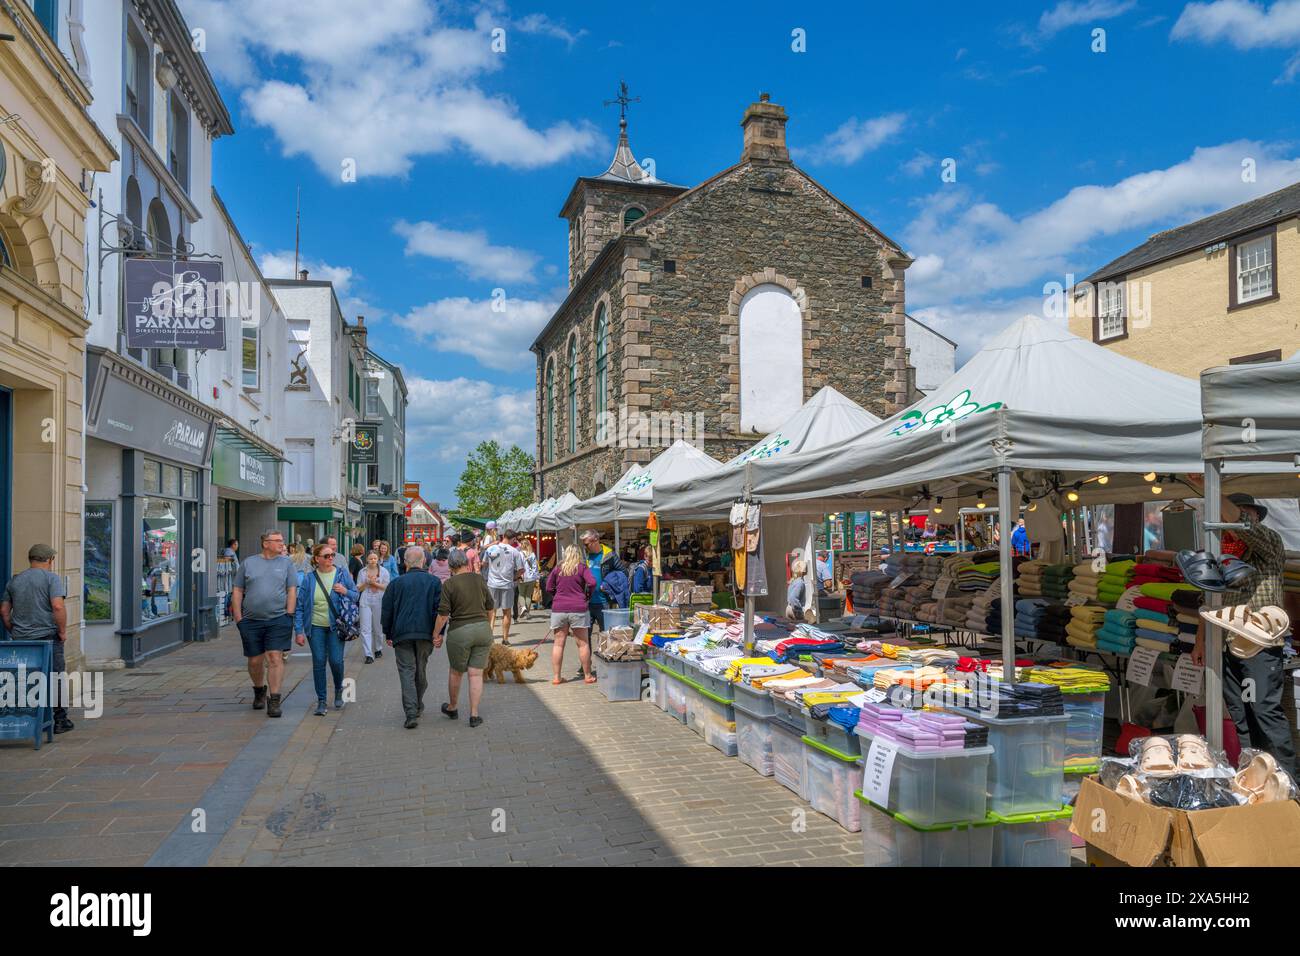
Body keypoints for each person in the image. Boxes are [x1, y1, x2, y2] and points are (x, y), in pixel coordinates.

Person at [1188, 488, 1295, 775]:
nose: (1231, 523)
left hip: (1258, 646)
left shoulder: (1268, 544)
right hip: (1225, 645)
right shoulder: (1220, 553)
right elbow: (1206, 601)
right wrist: (1200, 642)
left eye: (1239, 516)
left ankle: (1287, 780)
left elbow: (1244, 526)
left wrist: (1210, 488)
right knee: (1241, 715)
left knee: (1264, 712)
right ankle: (1253, 774)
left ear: (1253, 518)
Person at [1, 544, 73, 733]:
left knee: (26, 678)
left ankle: (28, 719)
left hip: (21, 638)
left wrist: (13, 629)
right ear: (50, 560)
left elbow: (4, 611)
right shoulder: (51, 579)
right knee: (55, 675)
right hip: (48, 635)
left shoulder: (15, 581)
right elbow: (58, 607)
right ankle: (59, 719)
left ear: (31, 559)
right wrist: (63, 631)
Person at [230, 530, 298, 718]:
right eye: (277, 541)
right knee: (255, 660)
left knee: (275, 657)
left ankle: (274, 699)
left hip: (278, 619)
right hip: (251, 620)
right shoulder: (248, 563)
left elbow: (292, 590)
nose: (282, 544)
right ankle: (259, 690)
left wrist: (289, 614)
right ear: (265, 543)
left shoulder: (286, 563)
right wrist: (239, 618)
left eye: (282, 541)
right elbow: (237, 590)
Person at [381, 546, 443, 728]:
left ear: (405, 562)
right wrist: (438, 633)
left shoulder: (396, 584)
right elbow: (439, 609)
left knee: (407, 672)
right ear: (424, 561)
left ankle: (411, 712)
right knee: (420, 670)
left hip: (402, 633)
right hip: (425, 633)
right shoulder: (434, 582)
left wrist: (388, 633)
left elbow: (387, 611)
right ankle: (416, 705)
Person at [294, 542, 358, 716]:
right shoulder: (309, 578)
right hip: (315, 627)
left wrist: (345, 591)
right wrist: (299, 630)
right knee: (319, 662)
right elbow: (300, 606)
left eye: (332, 555)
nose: (331, 558)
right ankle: (321, 700)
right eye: (326, 556)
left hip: (335, 626)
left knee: (336, 661)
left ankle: (339, 689)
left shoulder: (342, 575)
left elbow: (356, 595)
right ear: (316, 559)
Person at [435, 549, 494, 727]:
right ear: (466, 563)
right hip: (482, 629)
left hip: (460, 631)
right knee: (476, 673)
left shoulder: (449, 584)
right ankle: (474, 714)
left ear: (450, 565)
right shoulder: (478, 578)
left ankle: (453, 707)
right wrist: (488, 625)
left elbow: (443, 615)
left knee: (456, 671)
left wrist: (435, 634)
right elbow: (490, 606)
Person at [547, 545, 597, 685]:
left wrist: (556, 596)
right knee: (582, 644)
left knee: (558, 644)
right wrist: (587, 595)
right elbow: (592, 582)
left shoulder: (558, 568)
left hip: (559, 608)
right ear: (578, 554)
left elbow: (548, 587)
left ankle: (557, 677)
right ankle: (587, 675)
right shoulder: (582, 567)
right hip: (578, 608)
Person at [483, 530, 526, 645]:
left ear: (503, 537)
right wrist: (513, 577)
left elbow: (484, 563)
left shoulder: (490, 549)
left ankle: (489, 638)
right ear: (513, 539)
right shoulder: (515, 552)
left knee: (492, 611)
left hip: (492, 583)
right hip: (507, 584)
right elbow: (522, 570)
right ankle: (505, 639)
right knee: (507, 612)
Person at [356, 550, 391, 664]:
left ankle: (378, 648)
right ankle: (368, 654)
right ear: (367, 559)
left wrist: (374, 583)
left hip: (379, 600)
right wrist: (367, 583)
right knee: (365, 628)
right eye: (370, 558)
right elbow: (358, 588)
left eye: (375, 558)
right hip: (365, 600)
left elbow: (387, 587)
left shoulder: (384, 571)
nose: (373, 560)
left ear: (378, 559)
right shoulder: (362, 572)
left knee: (378, 627)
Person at [516, 538, 540, 621]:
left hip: (522, 577)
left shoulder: (519, 554)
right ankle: (527, 613)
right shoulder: (532, 554)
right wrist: (536, 577)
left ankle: (523, 608)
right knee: (528, 595)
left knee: (521, 594)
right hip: (531, 578)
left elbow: (518, 566)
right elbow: (535, 567)